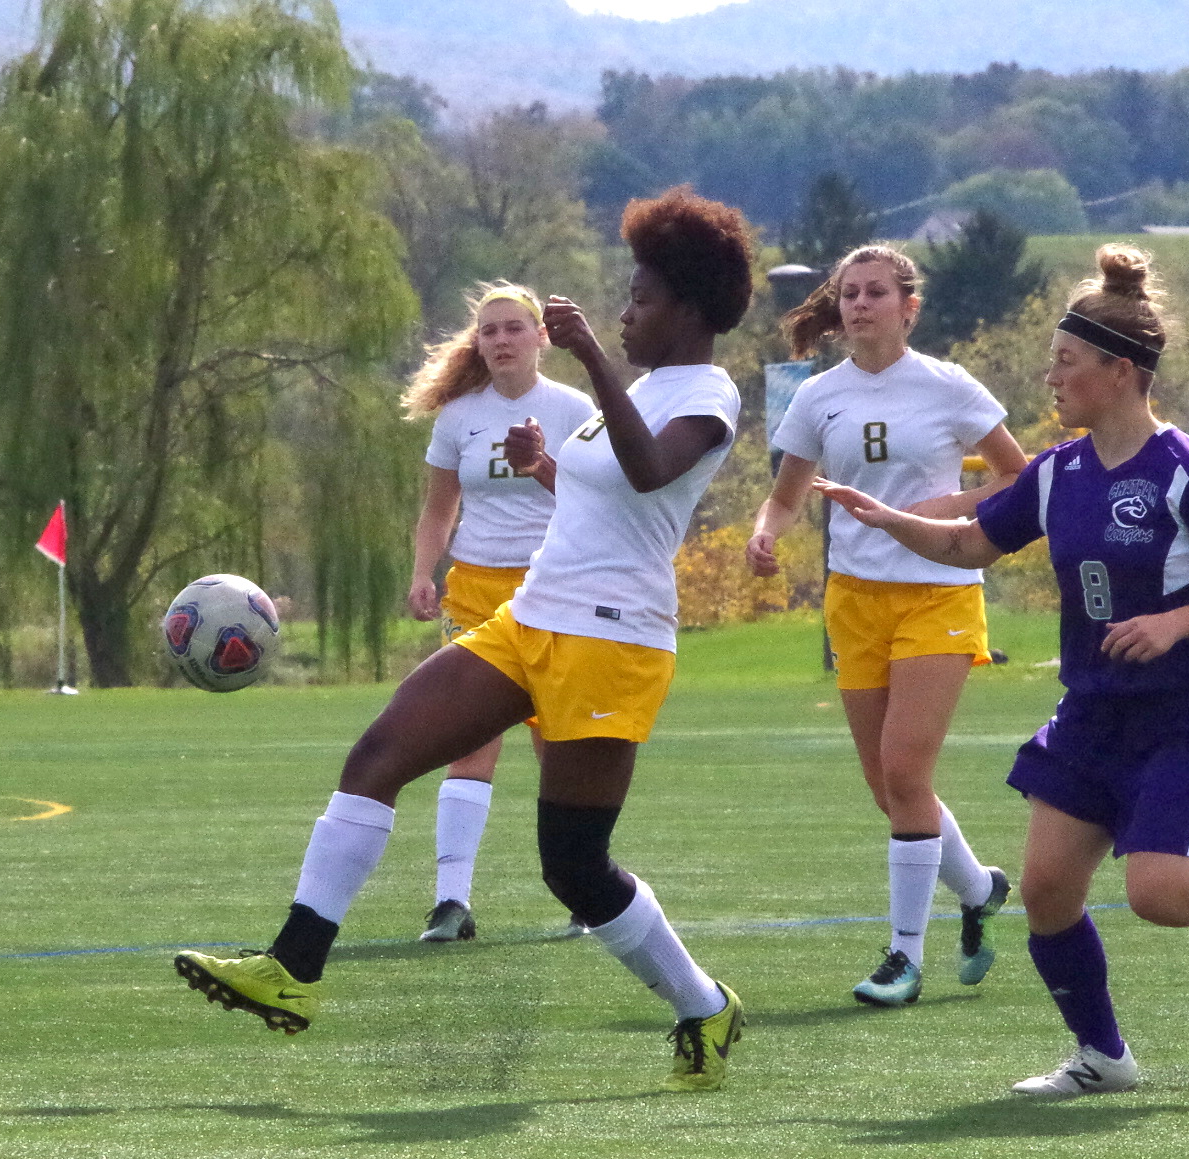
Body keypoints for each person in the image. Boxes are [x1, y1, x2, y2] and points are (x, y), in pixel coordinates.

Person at [176, 186, 759, 1092]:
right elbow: (608, 500)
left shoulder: (708, 391)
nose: (624, 311)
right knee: (378, 753)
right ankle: (292, 969)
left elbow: (651, 477)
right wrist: (547, 470)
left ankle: (703, 1007)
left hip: (613, 641)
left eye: (639, 299)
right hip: (531, 617)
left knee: (574, 867)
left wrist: (592, 357)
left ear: (687, 307)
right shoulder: (641, 389)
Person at [814, 244, 1189, 1094]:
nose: (1051, 377)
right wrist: (885, 518)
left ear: (1118, 372)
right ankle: (1102, 1057)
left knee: (1161, 893)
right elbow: (971, 543)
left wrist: (1173, 625)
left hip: (1184, 717)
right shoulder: (1059, 473)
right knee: (1045, 891)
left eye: (1066, 362)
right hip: (1091, 715)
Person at [747, 244, 1030, 1007]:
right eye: (849, 294)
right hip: (855, 600)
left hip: (937, 591)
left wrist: (951, 509)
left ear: (910, 305)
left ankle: (904, 959)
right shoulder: (818, 395)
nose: (859, 305)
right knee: (887, 787)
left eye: (876, 293)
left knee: (906, 773)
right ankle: (978, 888)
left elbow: (1018, 474)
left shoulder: (948, 386)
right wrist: (766, 530)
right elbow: (787, 493)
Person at [400, 280, 595, 944]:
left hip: (555, 590)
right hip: (477, 593)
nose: (502, 340)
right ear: (477, 344)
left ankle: (585, 890)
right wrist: (425, 572)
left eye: (515, 328)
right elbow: (437, 509)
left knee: (561, 749)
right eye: (490, 331)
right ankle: (450, 904)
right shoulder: (459, 417)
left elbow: (601, 501)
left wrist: (541, 462)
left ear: (542, 338)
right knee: (469, 746)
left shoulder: (574, 408)